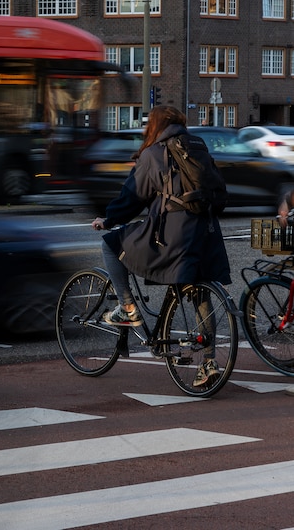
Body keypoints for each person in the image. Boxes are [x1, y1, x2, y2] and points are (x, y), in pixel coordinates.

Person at [90, 105, 231, 387]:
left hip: (172, 236)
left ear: (154, 126)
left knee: (111, 244)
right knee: (199, 289)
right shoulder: (197, 147)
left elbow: (132, 197)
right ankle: (209, 362)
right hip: (206, 231)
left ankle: (127, 307)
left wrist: (108, 220)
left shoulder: (154, 154)